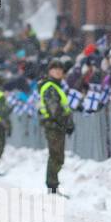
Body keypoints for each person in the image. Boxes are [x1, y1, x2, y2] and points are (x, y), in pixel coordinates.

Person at [37, 60, 74, 194]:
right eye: (55, 69)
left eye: (60, 69)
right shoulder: (51, 87)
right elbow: (55, 110)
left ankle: (53, 185)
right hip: (54, 126)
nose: (58, 71)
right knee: (56, 156)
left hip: (56, 126)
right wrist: (67, 123)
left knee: (57, 156)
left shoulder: (55, 86)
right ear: (50, 71)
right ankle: (52, 186)